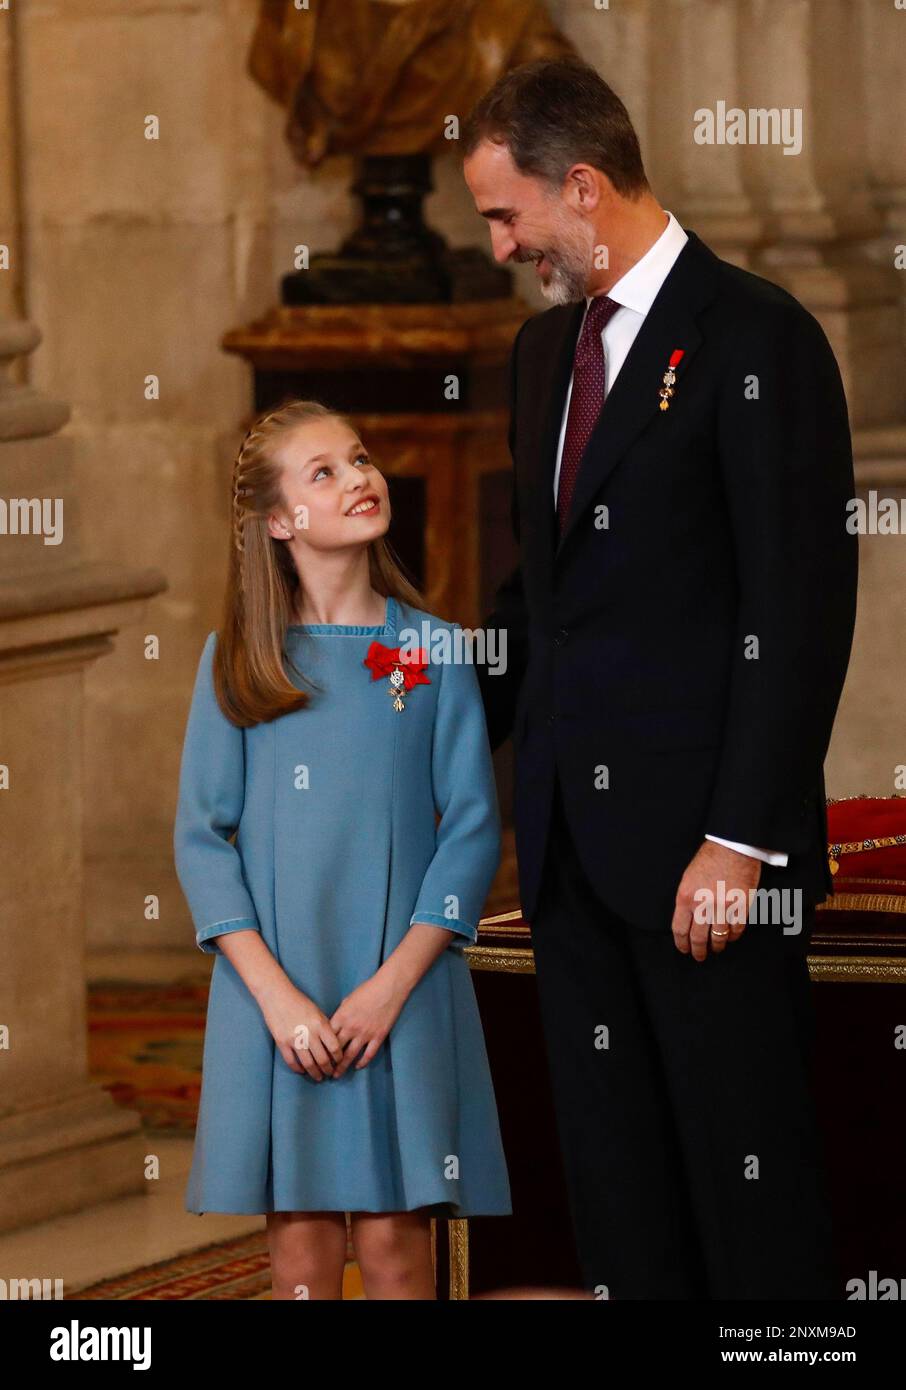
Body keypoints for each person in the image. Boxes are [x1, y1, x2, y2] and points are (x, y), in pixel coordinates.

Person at [462, 58, 858, 1299]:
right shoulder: (541, 359)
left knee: (754, 1215)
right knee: (622, 1213)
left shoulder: (759, 336)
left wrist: (739, 840)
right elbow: (544, 604)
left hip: (708, 870)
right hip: (576, 865)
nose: (499, 246)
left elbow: (799, 609)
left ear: (581, 187)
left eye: (504, 215)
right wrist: (414, 701)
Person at [173, 399, 510, 1300]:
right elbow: (202, 840)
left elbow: (471, 827)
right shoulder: (239, 661)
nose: (359, 477)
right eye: (324, 471)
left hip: (401, 983)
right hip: (277, 990)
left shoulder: (433, 651)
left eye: (359, 458)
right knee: (303, 1247)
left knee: (401, 1242)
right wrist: (280, 1001)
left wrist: (390, 988)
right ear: (280, 521)